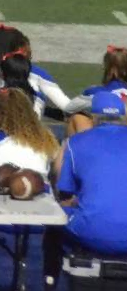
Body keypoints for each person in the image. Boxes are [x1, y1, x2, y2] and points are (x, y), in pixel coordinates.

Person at [58, 89, 127, 258]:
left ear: (93, 118)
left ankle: (51, 271)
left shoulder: (76, 142)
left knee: (56, 214)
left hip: (90, 233)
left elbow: (65, 191)